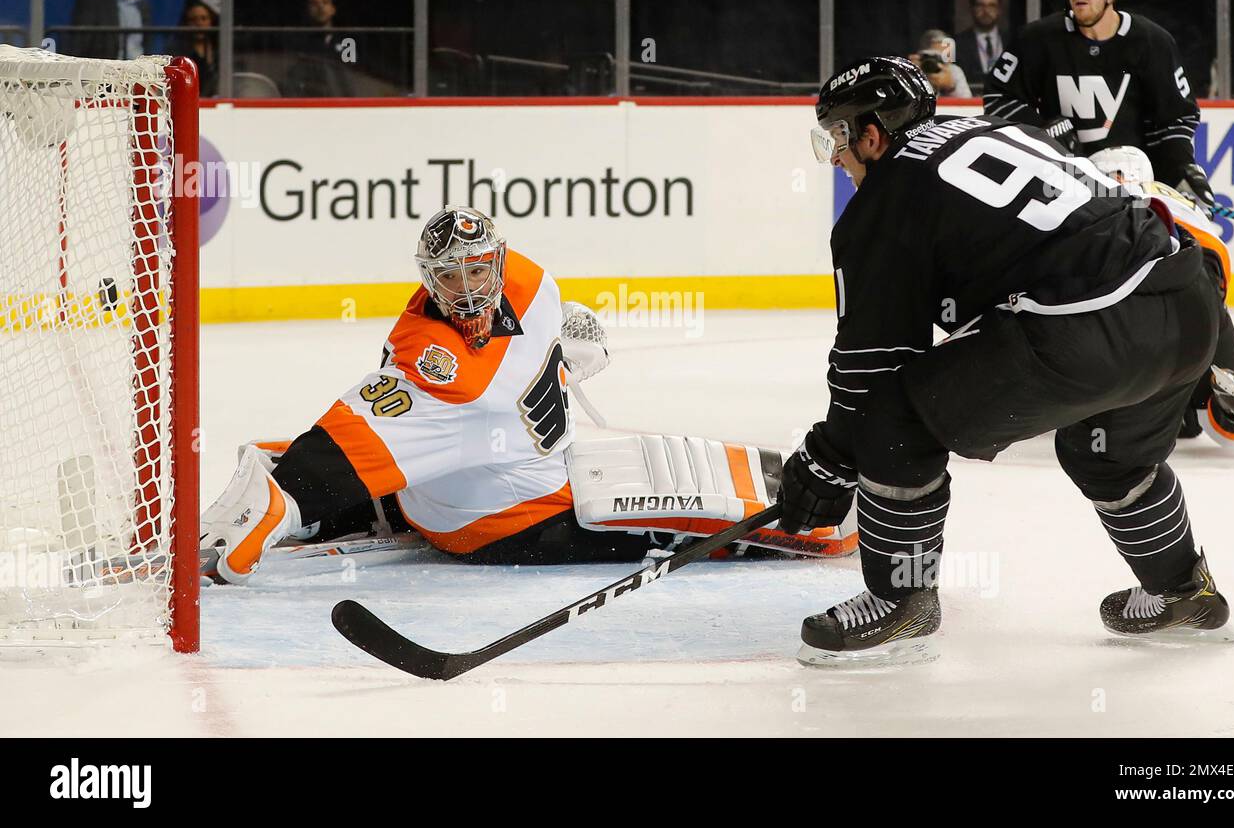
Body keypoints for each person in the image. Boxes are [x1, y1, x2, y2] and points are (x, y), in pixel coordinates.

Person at [784, 55, 1234, 667]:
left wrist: (827, 460)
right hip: (1190, 307)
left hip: (1093, 329)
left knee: (895, 415)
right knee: (1106, 451)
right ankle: (1182, 589)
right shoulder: (996, 131)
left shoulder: (887, 197)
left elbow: (876, 368)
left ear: (870, 134)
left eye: (837, 139)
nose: (836, 160)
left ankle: (901, 599)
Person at [199, 208, 853, 583]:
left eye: (478, 269)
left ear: (499, 262)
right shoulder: (438, 369)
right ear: (428, 281)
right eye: (448, 277)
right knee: (667, 530)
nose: (466, 289)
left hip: (524, 466)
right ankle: (812, 527)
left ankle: (361, 503)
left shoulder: (534, 286)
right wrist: (279, 504)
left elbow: (538, 345)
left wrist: (565, 354)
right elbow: (350, 440)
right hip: (494, 521)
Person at [981, 0, 1215, 212]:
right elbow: (999, 96)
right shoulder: (1037, 39)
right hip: (1060, 187)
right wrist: (1042, 132)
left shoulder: (1151, 42)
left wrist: (1180, 169)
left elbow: (1174, 118)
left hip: (1133, 185)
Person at [1089, 145, 1234, 444]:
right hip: (1201, 284)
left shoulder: (1099, 204)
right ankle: (1215, 403)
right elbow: (1218, 264)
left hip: (1135, 285)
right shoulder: (1177, 198)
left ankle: (1161, 396)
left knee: (1112, 371)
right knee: (1232, 428)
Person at [953, 0, 1006, 91]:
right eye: (980, 5)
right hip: (969, 102)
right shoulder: (955, 43)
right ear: (972, 9)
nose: (986, 11)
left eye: (991, 5)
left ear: (999, 10)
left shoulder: (1012, 40)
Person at [909, 29, 971, 98]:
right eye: (935, 57)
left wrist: (951, 88)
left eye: (947, 57)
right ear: (921, 55)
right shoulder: (913, 69)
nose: (937, 63)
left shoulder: (953, 71)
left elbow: (967, 103)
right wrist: (912, 76)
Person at [174, 1, 218, 97]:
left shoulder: (221, 49)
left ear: (211, 22)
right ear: (187, 23)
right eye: (193, 19)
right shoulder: (178, 53)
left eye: (204, 18)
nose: (199, 23)